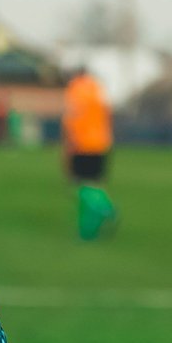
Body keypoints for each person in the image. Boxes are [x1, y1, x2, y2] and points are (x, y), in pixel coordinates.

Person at [62, 68, 116, 240]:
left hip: (82, 143)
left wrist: (69, 144)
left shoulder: (75, 90)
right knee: (95, 183)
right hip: (101, 142)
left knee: (81, 185)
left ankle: (96, 216)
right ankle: (98, 214)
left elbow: (72, 118)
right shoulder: (98, 89)